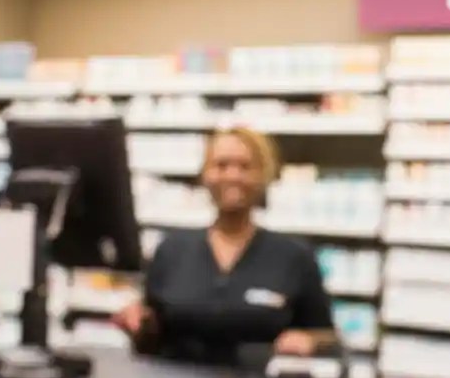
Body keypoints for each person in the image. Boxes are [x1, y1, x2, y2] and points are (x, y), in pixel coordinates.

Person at [113, 127, 335, 364]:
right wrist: (137, 323)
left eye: (245, 167)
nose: (232, 176)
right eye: (221, 165)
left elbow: (328, 337)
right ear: (205, 175)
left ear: (264, 176)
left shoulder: (294, 257)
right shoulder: (171, 250)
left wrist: (309, 341)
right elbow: (150, 337)